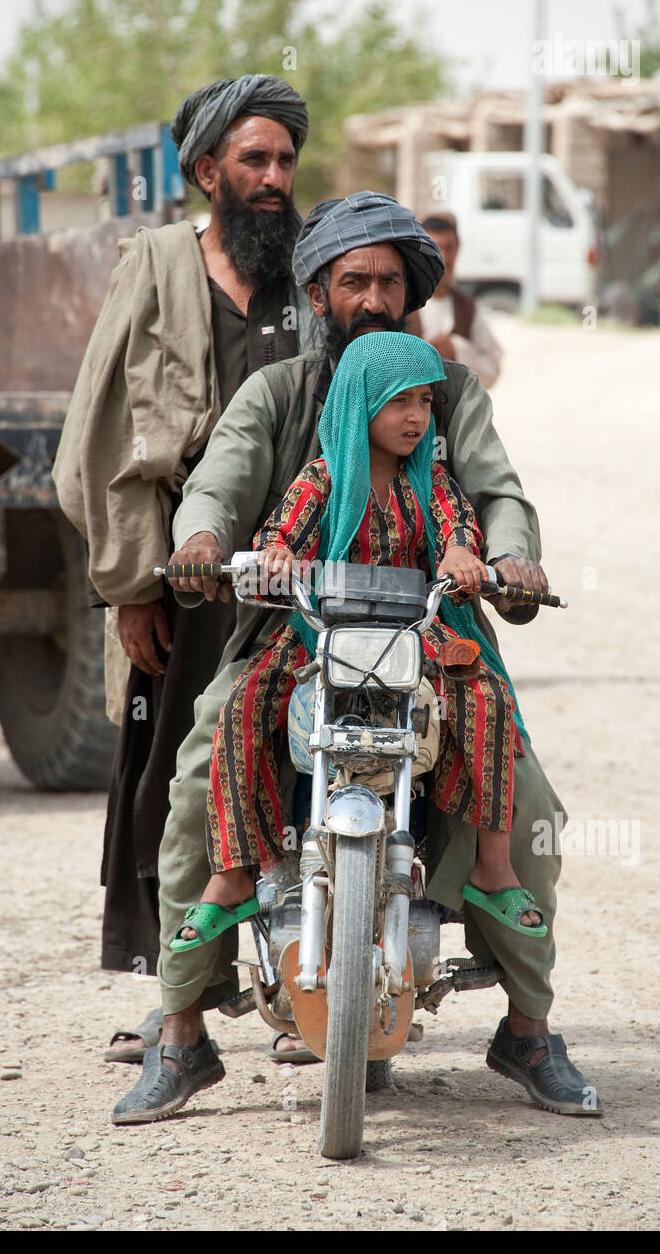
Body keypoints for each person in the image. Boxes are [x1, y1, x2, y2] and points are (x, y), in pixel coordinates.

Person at [111, 190, 601, 1125]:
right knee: (195, 782)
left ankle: (528, 1030)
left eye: (389, 283)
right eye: (352, 282)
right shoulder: (279, 392)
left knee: (530, 803)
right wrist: (205, 541)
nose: (373, 299)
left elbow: (496, 494)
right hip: (295, 640)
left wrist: (505, 559)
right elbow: (220, 482)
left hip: (430, 642)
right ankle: (181, 1032)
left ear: (414, 293)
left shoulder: (447, 393)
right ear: (316, 292)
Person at [53, 74, 313, 1063]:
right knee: (176, 780)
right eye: (254, 159)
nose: (273, 177)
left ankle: (315, 995)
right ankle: (180, 1002)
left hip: (298, 578)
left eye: (285, 159)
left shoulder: (314, 272)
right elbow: (99, 433)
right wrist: (130, 588)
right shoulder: (157, 265)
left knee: (309, 762)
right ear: (207, 171)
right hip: (183, 575)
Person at [171, 331, 545, 952]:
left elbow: (458, 530)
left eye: (424, 402)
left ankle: (493, 866)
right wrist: (276, 557)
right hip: (322, 635)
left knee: (488, 699)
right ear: (359, 403)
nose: (416, 418)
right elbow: (280, 536)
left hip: (414, 633)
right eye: (399, 402)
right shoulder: (320, 481)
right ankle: (232, 876)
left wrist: (462, 556)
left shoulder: (433, 484)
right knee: (241, 707)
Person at [405, 212, 503, 389]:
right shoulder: (402, 304)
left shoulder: (467, 307)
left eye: (449, 248)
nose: (442, 256)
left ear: (457, 251)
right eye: (434, 247)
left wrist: (457, 350)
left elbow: (492, 371)